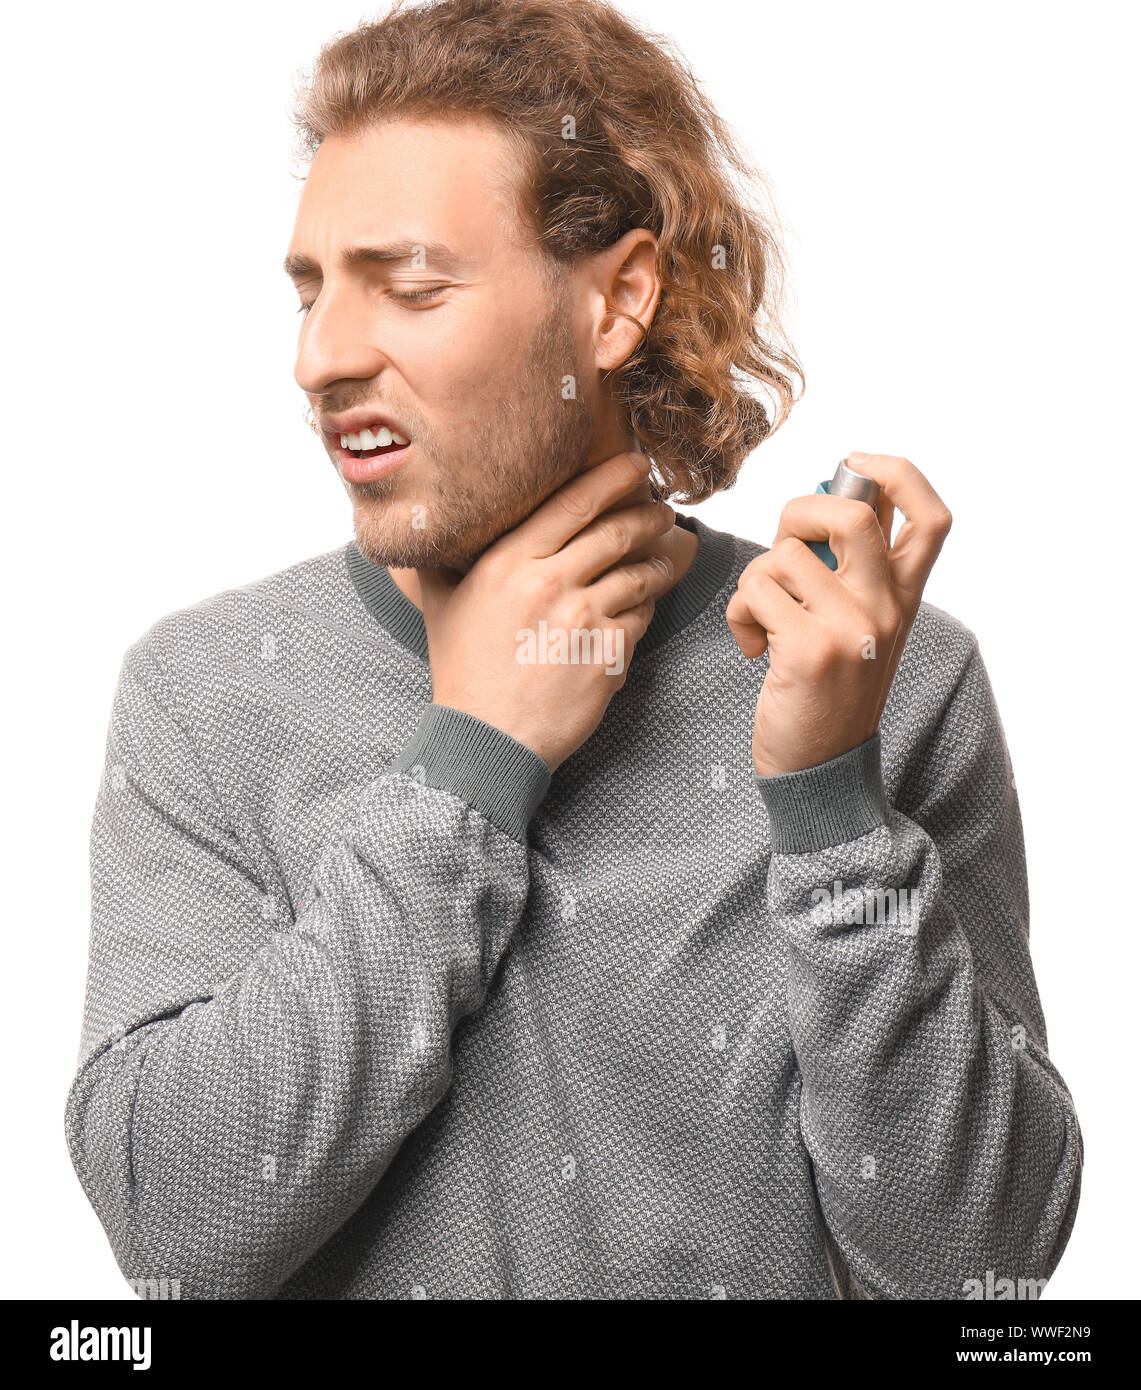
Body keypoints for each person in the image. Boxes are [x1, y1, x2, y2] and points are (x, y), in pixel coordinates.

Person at [65, 0, 1081, 1300]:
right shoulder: (204, 696)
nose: (320, 357)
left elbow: (979, 1276)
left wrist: (830, 809)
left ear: (618, 301)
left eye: (411, 284)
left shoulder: (886, 679)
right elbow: (173, 1231)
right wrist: (467, 761)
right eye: (311, 290)